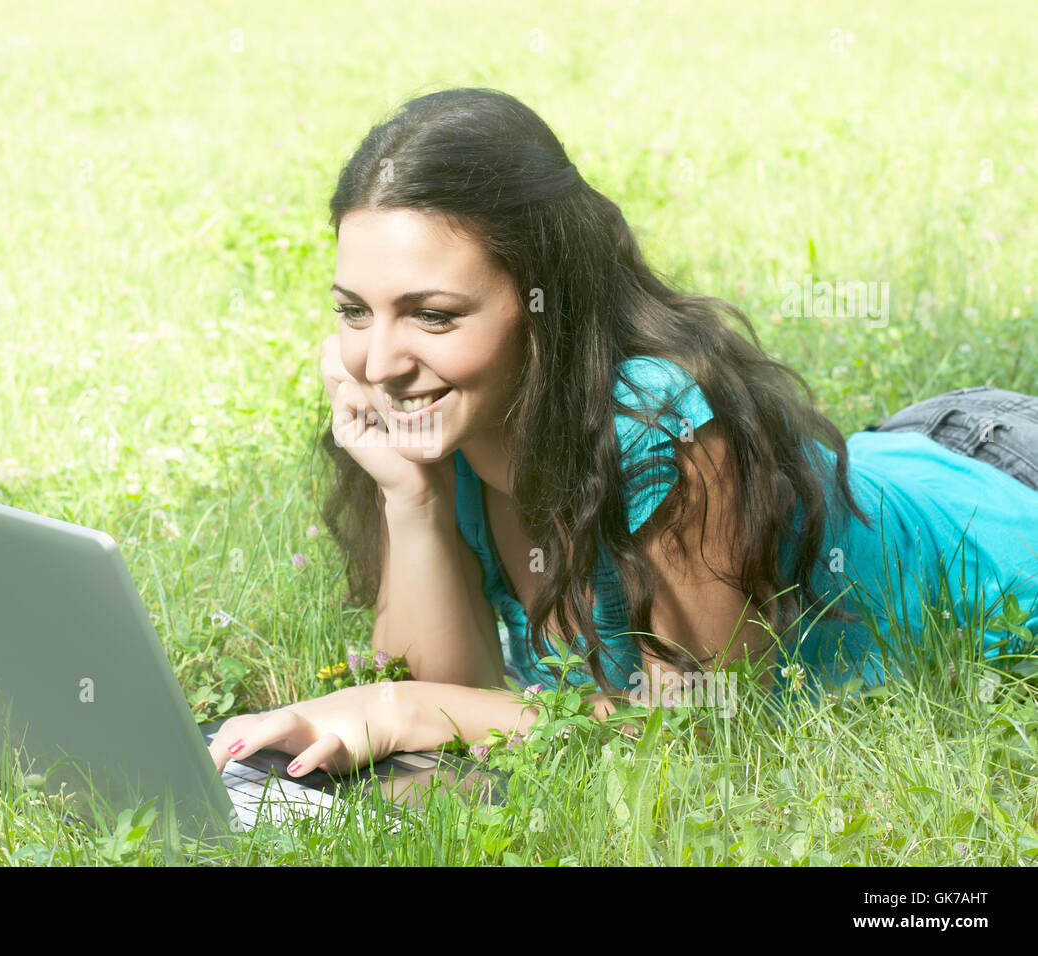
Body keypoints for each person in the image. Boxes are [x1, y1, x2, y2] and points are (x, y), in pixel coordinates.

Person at [208, 87, 1038, 779]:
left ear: (545, 302)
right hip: (898, 456)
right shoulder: (452, 424)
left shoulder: (665, 429)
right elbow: (445, 709)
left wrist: (398, 707)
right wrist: (410, 496)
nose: (381, 362)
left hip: (1001, 479)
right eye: (354, 311)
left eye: (432, 314)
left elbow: (703, 738)